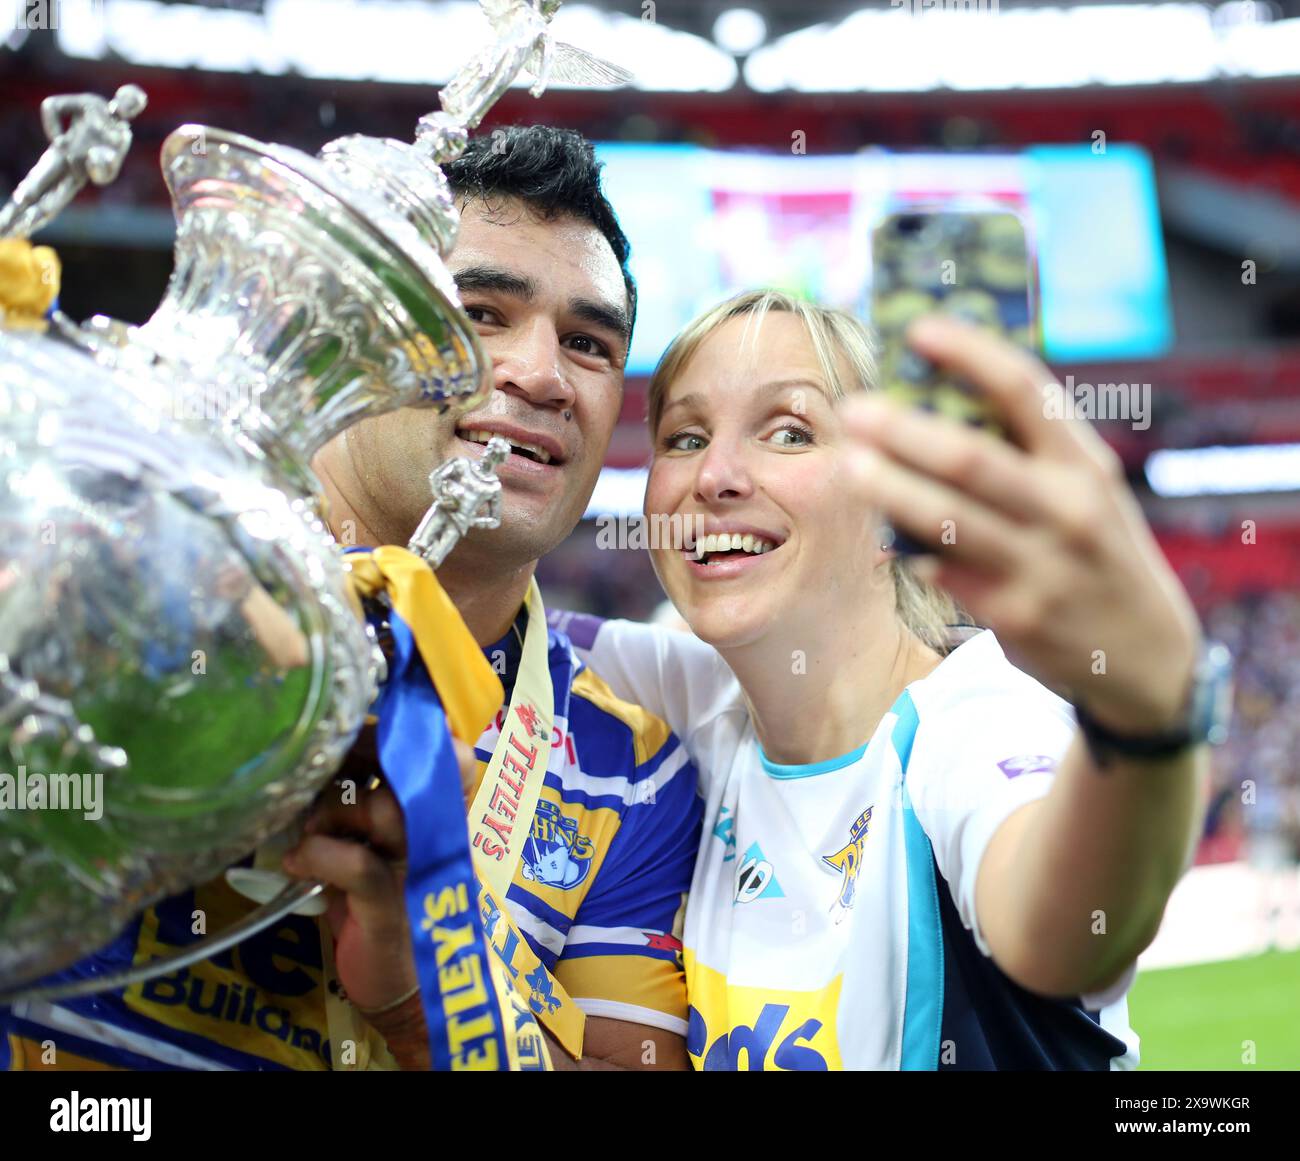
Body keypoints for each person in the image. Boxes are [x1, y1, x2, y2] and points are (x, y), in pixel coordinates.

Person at [2, 126, 700, 1072]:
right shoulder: (102, 564)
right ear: (370, 329)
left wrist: (422, 1005)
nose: (540, 374)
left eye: (587, 342)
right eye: (481, 312)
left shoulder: (634, 773)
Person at [556, 288, 1229, 1070]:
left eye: (789, 430)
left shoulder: (971, 726)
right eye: (685, 436)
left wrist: (1147, 712)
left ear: (894, 510)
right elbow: (489, 612)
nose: (716, 474)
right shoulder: (697, 698)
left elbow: (1073, 930)